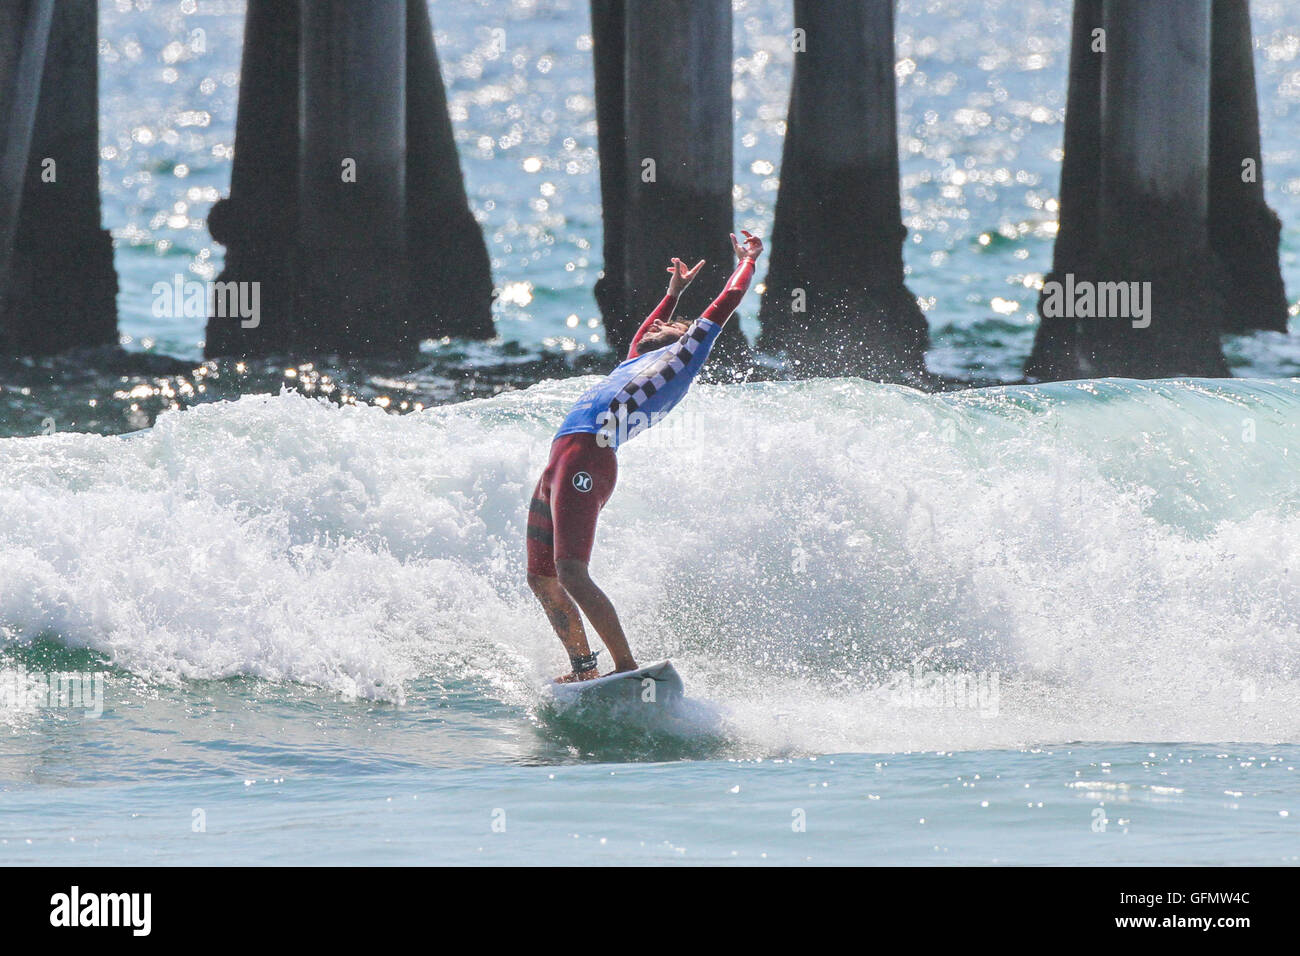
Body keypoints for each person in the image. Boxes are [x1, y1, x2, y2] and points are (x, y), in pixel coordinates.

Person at [526, 230, 764, 682]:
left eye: (664, 324)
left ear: (681, 337)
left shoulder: (681, 357)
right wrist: (672, 294)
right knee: (542, 577)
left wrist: (747, 261)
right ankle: (583, 669)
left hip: (587, 461)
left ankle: (627, 667)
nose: (653, 327)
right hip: (559, 463)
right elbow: (641, 335)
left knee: (571, 571)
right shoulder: (633, 363)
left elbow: (728, 300)